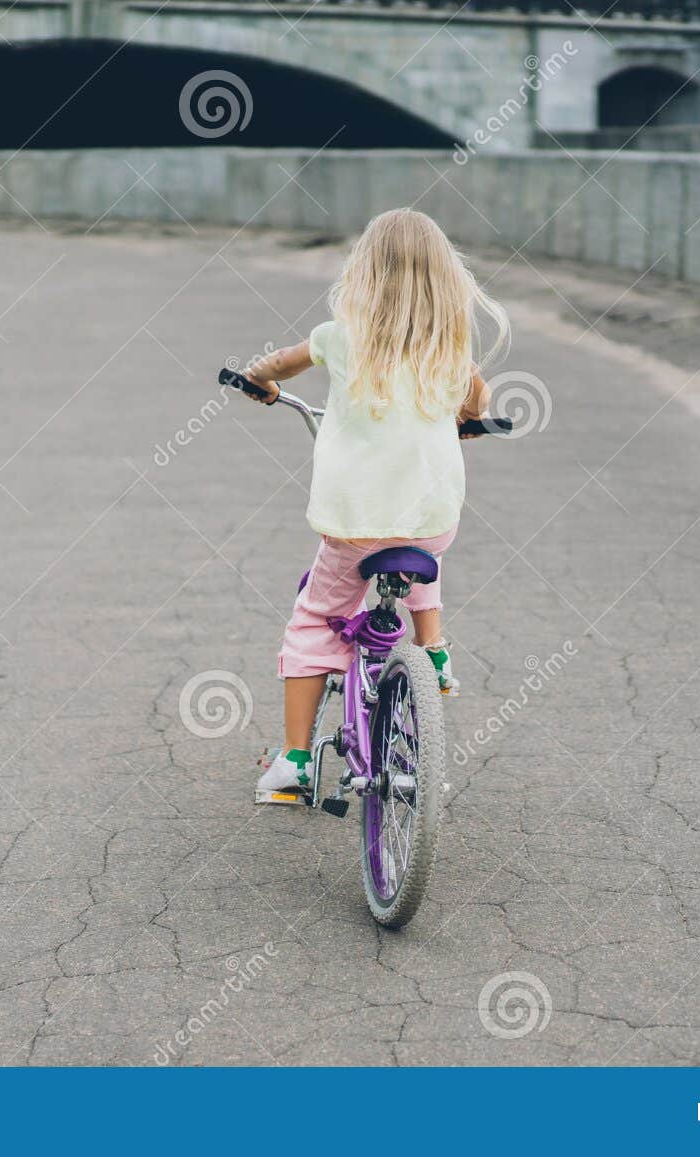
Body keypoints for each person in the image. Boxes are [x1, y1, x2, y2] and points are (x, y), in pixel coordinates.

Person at [239, 208, 508, 801]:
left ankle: (294, 764)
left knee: (314, 618)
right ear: (444, 279)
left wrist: (261, 384)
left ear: (365, 273)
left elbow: (276, 365)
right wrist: (471, 419)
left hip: (355, 524)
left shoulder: (337, 337)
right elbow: (479, 399)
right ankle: (433, 654)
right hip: (434, 519)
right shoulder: (449, 347)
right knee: (418, 549)